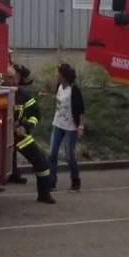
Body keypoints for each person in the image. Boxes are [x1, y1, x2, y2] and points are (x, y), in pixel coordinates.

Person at [6, 65, 55, 202]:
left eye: (15, 78)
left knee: (41, 162)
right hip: (0, 138)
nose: (13, 81)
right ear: (2, 78)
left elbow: (35, 114)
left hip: (19, 136)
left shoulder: (22, 95)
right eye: (9, 78)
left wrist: (26, 127)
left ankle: (44, 194)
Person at [48, 63, 85, 192]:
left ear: (63, 76)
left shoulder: (74, 90)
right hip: (58, 124)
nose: (56, 75)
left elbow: (80, 109)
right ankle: (51, 182)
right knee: (52, 154)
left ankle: (75, 180)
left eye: (58, 73)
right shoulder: (59, 87)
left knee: (70, 156)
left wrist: (80, 126)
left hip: (70, 127)